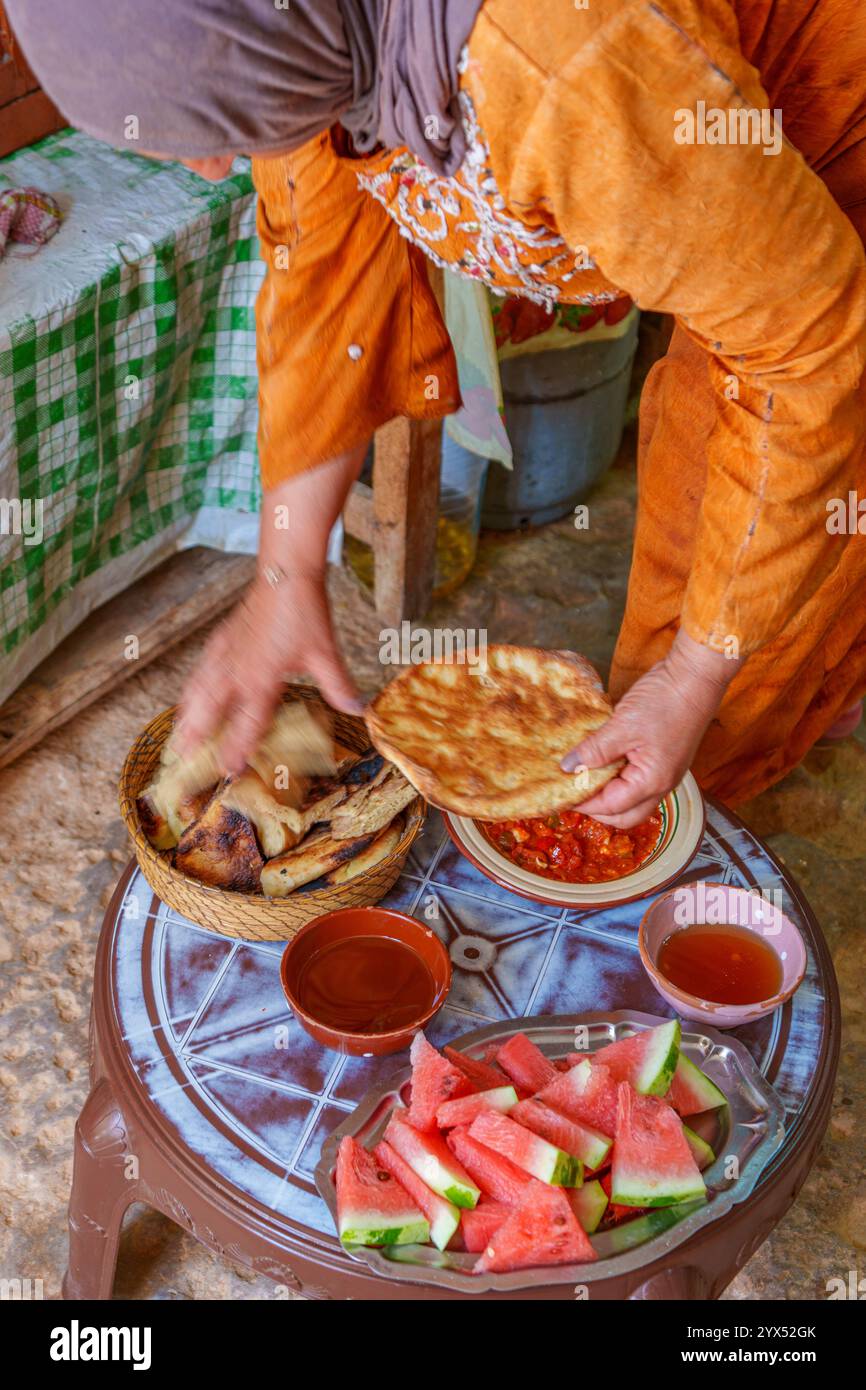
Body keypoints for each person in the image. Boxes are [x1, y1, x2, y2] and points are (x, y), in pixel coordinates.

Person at [10, 0, 866, 826]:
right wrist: (285, 571)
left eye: (216, 135)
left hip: (831, 132)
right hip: (700, 168)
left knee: (746, 585)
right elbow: (324, 262)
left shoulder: (565, 61)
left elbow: (807, 346)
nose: (208, 170)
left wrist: (691, 677)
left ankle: (775, 727)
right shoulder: (299, 25)